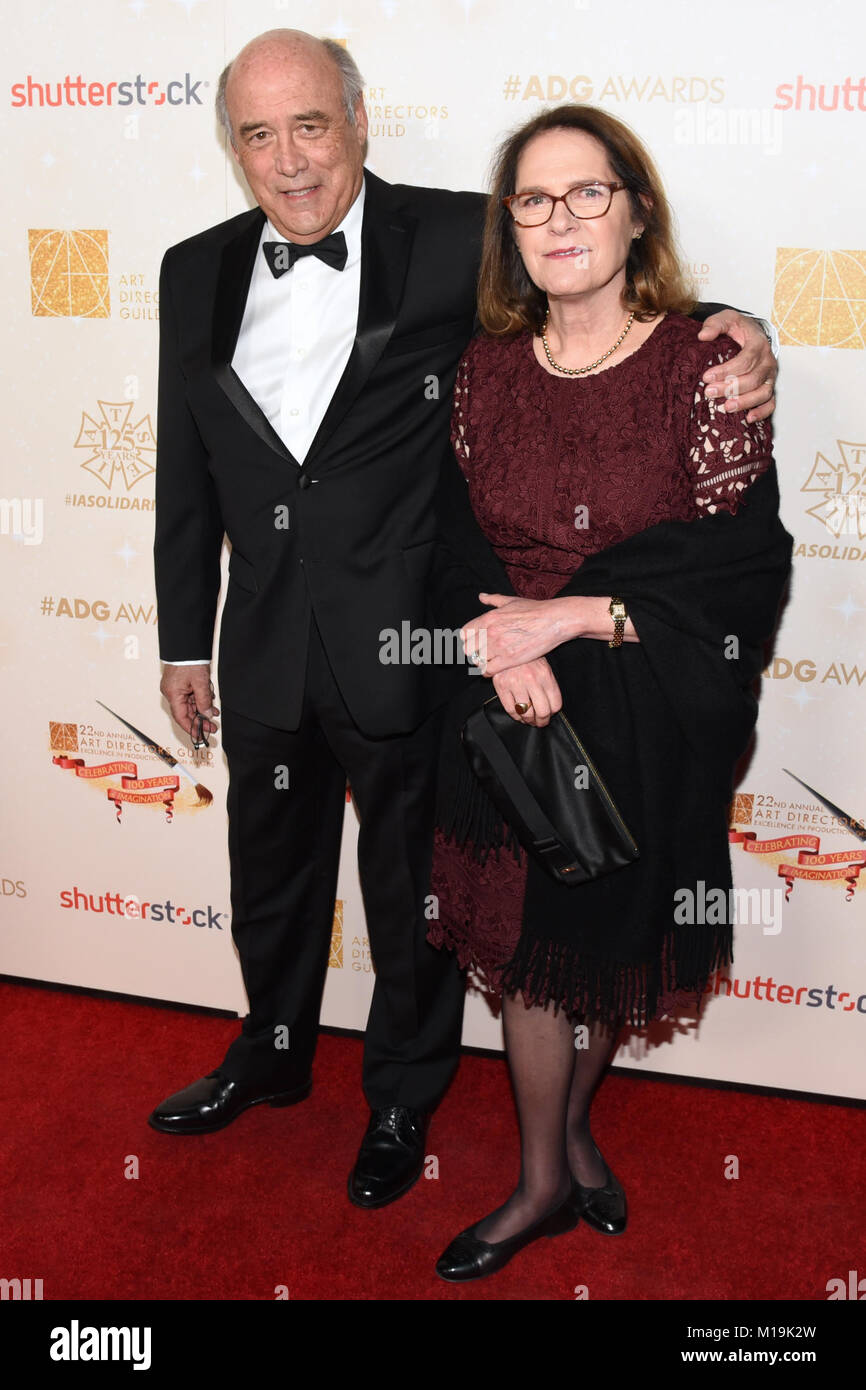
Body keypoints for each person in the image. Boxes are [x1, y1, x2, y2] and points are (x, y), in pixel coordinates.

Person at [150, 29, 779, 1211]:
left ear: (358, 120)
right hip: (262, 640)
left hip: (413, 639)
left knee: (409, 893)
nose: (289, 161)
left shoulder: (450, 232)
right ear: (231, 148)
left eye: (311, 125)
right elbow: (182, 468)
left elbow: (595, 264)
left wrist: (742, 333)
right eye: (256, 134)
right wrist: (186, 635)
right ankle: (271, 1054)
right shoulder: (192, 269)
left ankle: (400, 1096)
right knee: (268, 873)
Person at [427, 103, 793, 1280]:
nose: (559, 219)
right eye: (531, 200)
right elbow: (443, 540)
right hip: (512, 717)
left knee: (600, 952)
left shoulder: (706, 366)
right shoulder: (479, 371)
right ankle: (540, 1177)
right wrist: (508, 642)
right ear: (508, 231)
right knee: (533, 957)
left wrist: (580, 613)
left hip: (644, 709)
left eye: (587, 193)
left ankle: (572, 1128)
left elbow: (738, 567)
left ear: (635, 212)